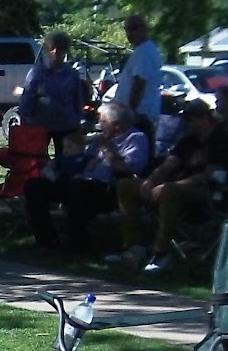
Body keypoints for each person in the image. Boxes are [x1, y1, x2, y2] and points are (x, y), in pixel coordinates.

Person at [112, 98, 228, 273]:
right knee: (126, 185)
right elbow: (168, 166)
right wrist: (151, 181)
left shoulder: (222, 141)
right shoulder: (187, 142)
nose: (186, 123)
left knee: (169, 191)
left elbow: (207, 176)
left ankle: (161, 253)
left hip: (208, 193)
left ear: (203, 118)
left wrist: (172, 185)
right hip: (172, 188)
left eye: (189, 119)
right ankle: (133, 247)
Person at [26, 101, 149, 253]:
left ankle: (77, 244)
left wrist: (106, 148)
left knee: (77, 189)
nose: (99, 125)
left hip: (110, 188)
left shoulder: (136, 138)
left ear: (116, 125)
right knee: (34, 185)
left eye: (103, 122)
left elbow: (127, 169)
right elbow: (83, 160)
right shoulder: (101, 139)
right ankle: (48, 240)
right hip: (81, 182)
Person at [18, 31, 85, 156]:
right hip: (40, 125)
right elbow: (27, 98)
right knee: (38, 160)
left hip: (66, 125)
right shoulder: (37, 73)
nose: (55, 52)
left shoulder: (72, 74)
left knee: (66, 161)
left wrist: (78, 121)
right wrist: (25, 120)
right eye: (52, 48)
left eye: (60, 49)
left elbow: (78, 99)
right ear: (47, 50)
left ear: (65, 52)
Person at [116, 15, 163, 134]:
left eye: (134, 28)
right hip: (139, 115)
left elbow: (139, 83)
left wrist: (129, 113)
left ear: (145, 29)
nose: (130, 33)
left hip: (139, 116)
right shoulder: (145, 49)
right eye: (127, 29)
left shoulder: (144, 51)